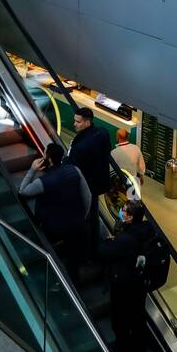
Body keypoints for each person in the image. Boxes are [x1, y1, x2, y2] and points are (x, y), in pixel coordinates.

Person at [18, 142, 90, 281]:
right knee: (72, 257)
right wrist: (82, 216)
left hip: (53, 227)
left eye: (45, 153)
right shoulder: (74, 170)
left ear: (49, 159)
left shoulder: (43, 182)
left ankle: (47, 278)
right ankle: (73, 283)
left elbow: (23, 191)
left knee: (40, 246)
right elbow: (87, 196)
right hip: (76, 224)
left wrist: (32, 169)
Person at [97, 198, 155, 352]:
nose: (121, 211)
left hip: (123, 286)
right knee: (138, 322)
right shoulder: (148, 230)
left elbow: (103, 253)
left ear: (130, 217)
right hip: (140, 284)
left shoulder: (124, 239)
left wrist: (109, 241)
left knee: (121, 323)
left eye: (124, 210)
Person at [67, 107, 111, 251]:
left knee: (86, 214)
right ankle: (95, 242)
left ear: (87, 122)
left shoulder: (81, 147)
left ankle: (88, 246)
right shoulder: (103, 132)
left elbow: (72, 168)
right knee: (93, 210)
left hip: (86, 185)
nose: (74, 124)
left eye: (78, 122)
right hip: (100, 182)